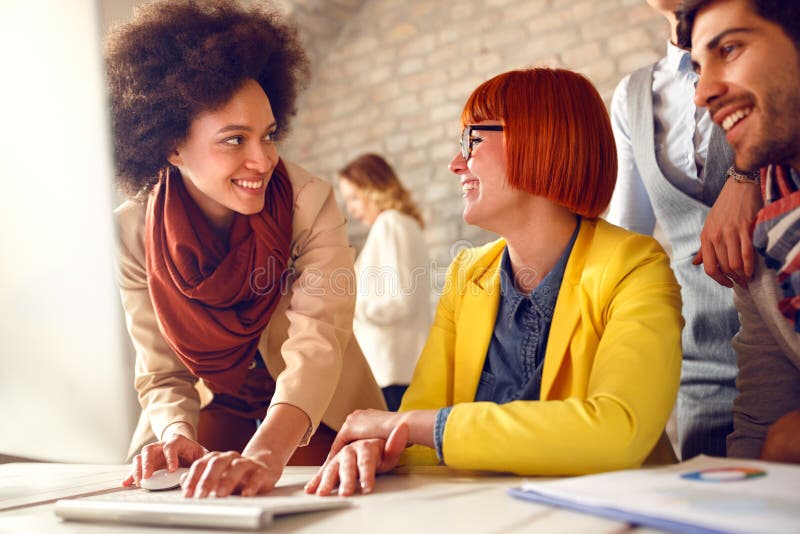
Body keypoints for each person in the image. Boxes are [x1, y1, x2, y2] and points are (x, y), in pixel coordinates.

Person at [305, 68, 685, 496]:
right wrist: (380, 448)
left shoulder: (634, 265)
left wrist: (410, 427)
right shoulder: (467, 275)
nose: (456, 164)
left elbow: (619, 432)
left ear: (539, 139)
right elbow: (417, 436)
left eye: (472, 140)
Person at [106, 0, 385, 497]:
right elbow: (160, 371)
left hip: (310, 405)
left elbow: (320, 339)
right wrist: (175, 437)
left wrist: (264, 454)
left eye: (269, 135)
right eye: (235, 140)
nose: (263, 159)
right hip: (214, 406)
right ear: (172, 146)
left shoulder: (310, 202)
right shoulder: (131, 232)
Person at [606, 0, 761, 459]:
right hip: (701, 366)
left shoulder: (774, 48)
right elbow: (627, 240)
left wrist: (745, 173)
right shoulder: (631, 96)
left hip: (787, 345)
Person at [677, 0, 800, 462]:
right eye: (697, 68)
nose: (702, 92)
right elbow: (761, 418)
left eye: (729, 48)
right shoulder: (761, 232)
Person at [337, 154, 432, 412]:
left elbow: (402, 301)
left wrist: (350, 306)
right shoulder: (405, 224)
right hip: (401, 367)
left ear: (373, 189)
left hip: (393, 369)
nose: (352, 209)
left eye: (354, 197)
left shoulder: (389, 224)